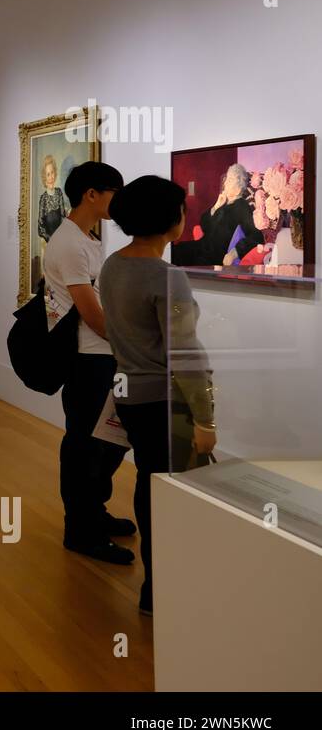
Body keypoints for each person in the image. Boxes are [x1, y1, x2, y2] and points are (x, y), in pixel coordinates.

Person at [100, 175, 216, 616]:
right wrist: (205, 419)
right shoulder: (166, 276)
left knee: (151, 487)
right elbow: (186, 354)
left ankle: (158, 587)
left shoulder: (113, 264)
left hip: (130, 396)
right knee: (173, 496)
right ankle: (166, 591)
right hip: (166, 403)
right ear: (172, 220)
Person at [42, 161, 132, 565]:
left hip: (101, 356)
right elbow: (91, 313)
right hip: (87, 358)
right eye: (115, 190)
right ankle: (80, 530)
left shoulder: (86, 238)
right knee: (84, 445)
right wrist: (130, 341)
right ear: (91, 194)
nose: (120, 199)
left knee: (106, 442)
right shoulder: (69, 243)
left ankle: (93, 512)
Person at [171, 163, 262, 266]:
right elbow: (204, 225)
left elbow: (256, 236)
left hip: (214, 257)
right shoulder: (223, 202)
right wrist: (216, 206)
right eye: (227, 178)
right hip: (202, 247)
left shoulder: (242, 206)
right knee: (176, 250)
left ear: (239, 186)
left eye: (230, 180)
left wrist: (234, 253)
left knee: (177, 257)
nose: (225, 183)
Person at [38, 155, 71, 244]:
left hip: (60, 237)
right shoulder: (43, 199)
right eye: (48, 174)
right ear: (44, 178)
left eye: (52, 173)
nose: (51, 177)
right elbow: (41, 228)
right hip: (49, 240)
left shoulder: (59, 192)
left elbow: (62, 216)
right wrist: (51, 240)